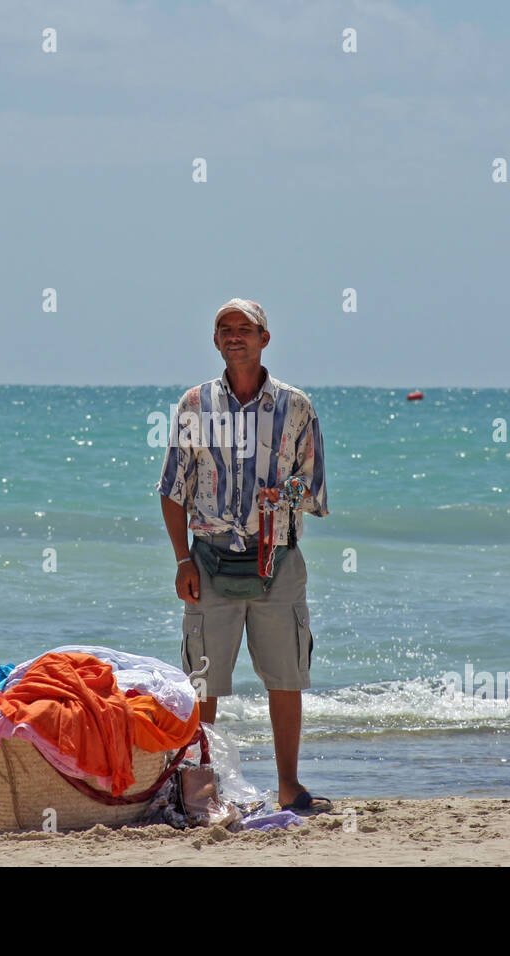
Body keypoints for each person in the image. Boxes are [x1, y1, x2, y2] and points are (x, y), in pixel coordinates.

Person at [157, 298, 330, 814]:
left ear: (264, 339)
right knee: (203, 682)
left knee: (285, 679)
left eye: (245, 329)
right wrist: (182, 561)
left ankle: (289, 788)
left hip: (278, 560)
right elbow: (172, 489)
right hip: (208, 562)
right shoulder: (194, 405)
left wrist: (284, 496)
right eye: (224, 329)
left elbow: (314, 485)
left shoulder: (296, 407)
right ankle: (201, 792)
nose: (235, 336)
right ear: (215, 342)